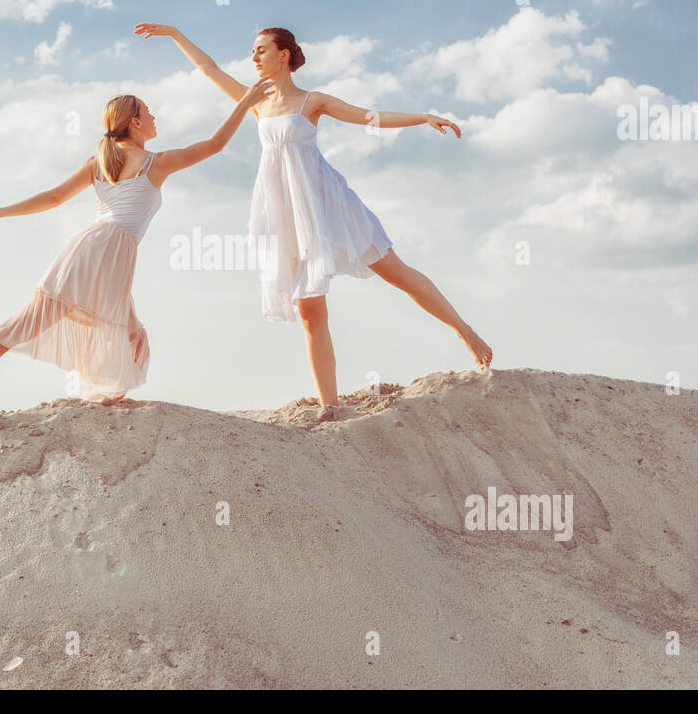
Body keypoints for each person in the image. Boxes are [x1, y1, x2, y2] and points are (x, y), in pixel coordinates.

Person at [134, 22, 492, 418]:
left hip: (328, 203)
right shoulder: (254, 101)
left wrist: (423, 117)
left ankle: (465, 331)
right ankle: (329, 406)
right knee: (309, 312)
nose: (253, 57)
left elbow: (368, 117)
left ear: (283, 54)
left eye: (261, 49)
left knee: (395, 271)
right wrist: (176, 35)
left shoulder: (312, 101)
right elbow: (210, 70)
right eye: (253, 51)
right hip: (287, 214)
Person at [0, 77, 274, 410]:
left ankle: (98, 402)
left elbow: (53, 198)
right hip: (105, 250)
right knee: (33, 322)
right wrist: (244, 102)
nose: (155, 118)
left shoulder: (102, 163)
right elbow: (215, 145)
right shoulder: (155, 163)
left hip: (98, 251)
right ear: (136, 122)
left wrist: (0, 212)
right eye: (149, 112)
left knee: (128, 336)